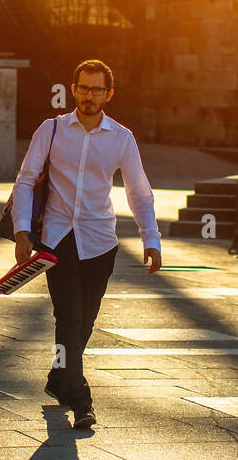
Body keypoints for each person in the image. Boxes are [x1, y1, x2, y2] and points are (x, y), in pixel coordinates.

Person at [11, 59, 162, 429]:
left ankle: (59, 376)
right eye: (82, 87)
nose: (88, 96)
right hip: (57, 239)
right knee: (69, 318)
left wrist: (151, 238)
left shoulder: (122, 138)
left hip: (100, 242)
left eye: (96, 89)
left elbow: (138, 192)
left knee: (84, 323)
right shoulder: (51, 130)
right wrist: (21, 232)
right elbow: (26, 179)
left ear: (108, 95)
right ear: (73, 88)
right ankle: (81, 399)